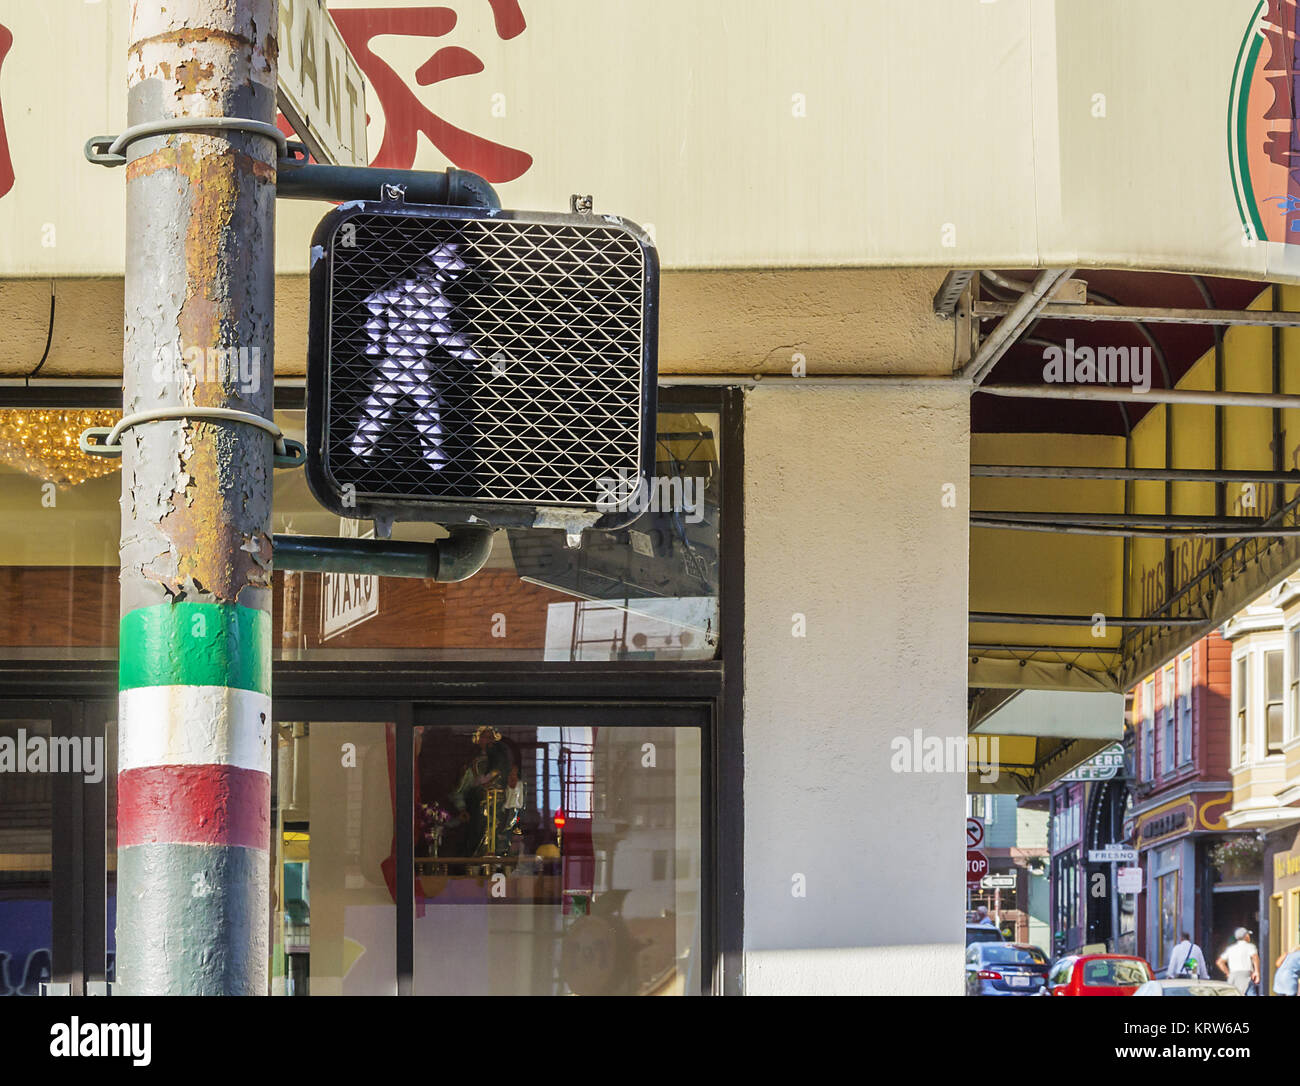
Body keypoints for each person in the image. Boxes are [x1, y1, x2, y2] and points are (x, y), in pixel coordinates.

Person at [1216, 927, 1260, 995]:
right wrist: (1256, 972)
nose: (1249, 936)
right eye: (1248, 935)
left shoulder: (1231, 949)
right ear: (1246, 936)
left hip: (1233, 977)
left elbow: (1219, 962)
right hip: (1246, 976)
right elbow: (1255, 957)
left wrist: (1227, 973)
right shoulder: (1250, 947)